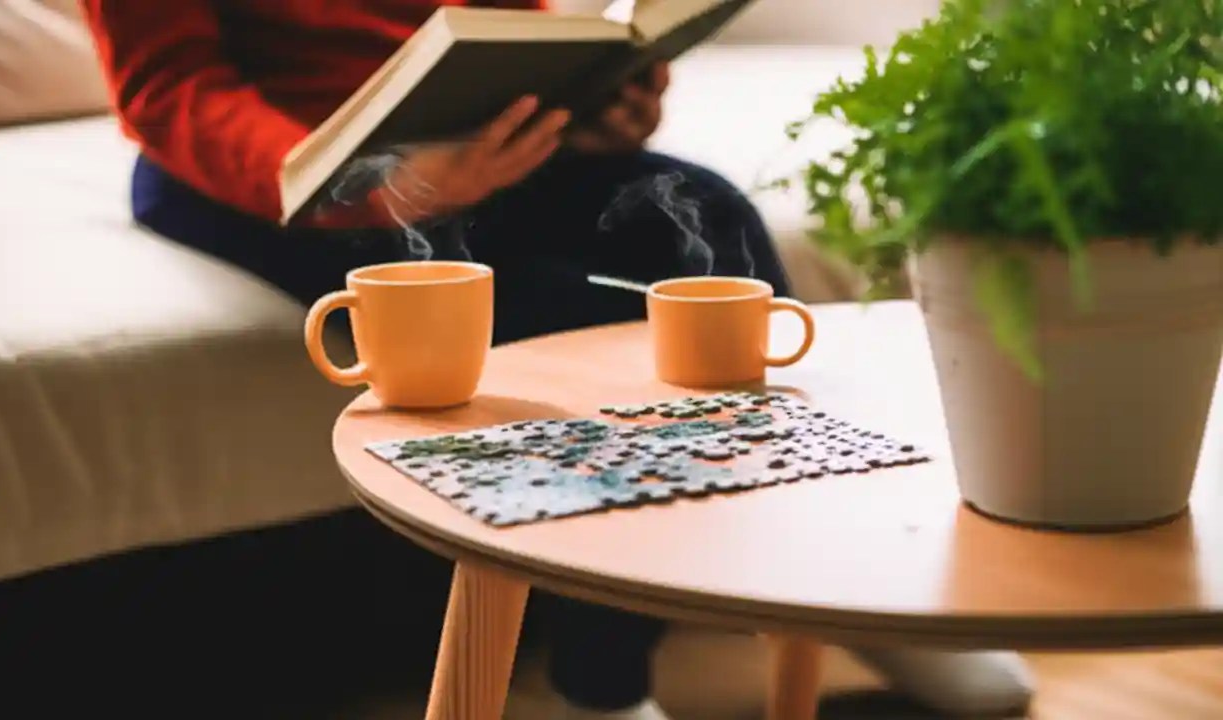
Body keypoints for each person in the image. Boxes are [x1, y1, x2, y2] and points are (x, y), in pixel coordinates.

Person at [79, 1, 1033, 718]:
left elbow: (496, 25)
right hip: (286, 167)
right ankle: (603, 684)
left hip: (463, 138)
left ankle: (846, 591)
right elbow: (171, 89)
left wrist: (584, 108)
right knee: (555, 314)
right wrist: (371, 186)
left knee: (712, 226)